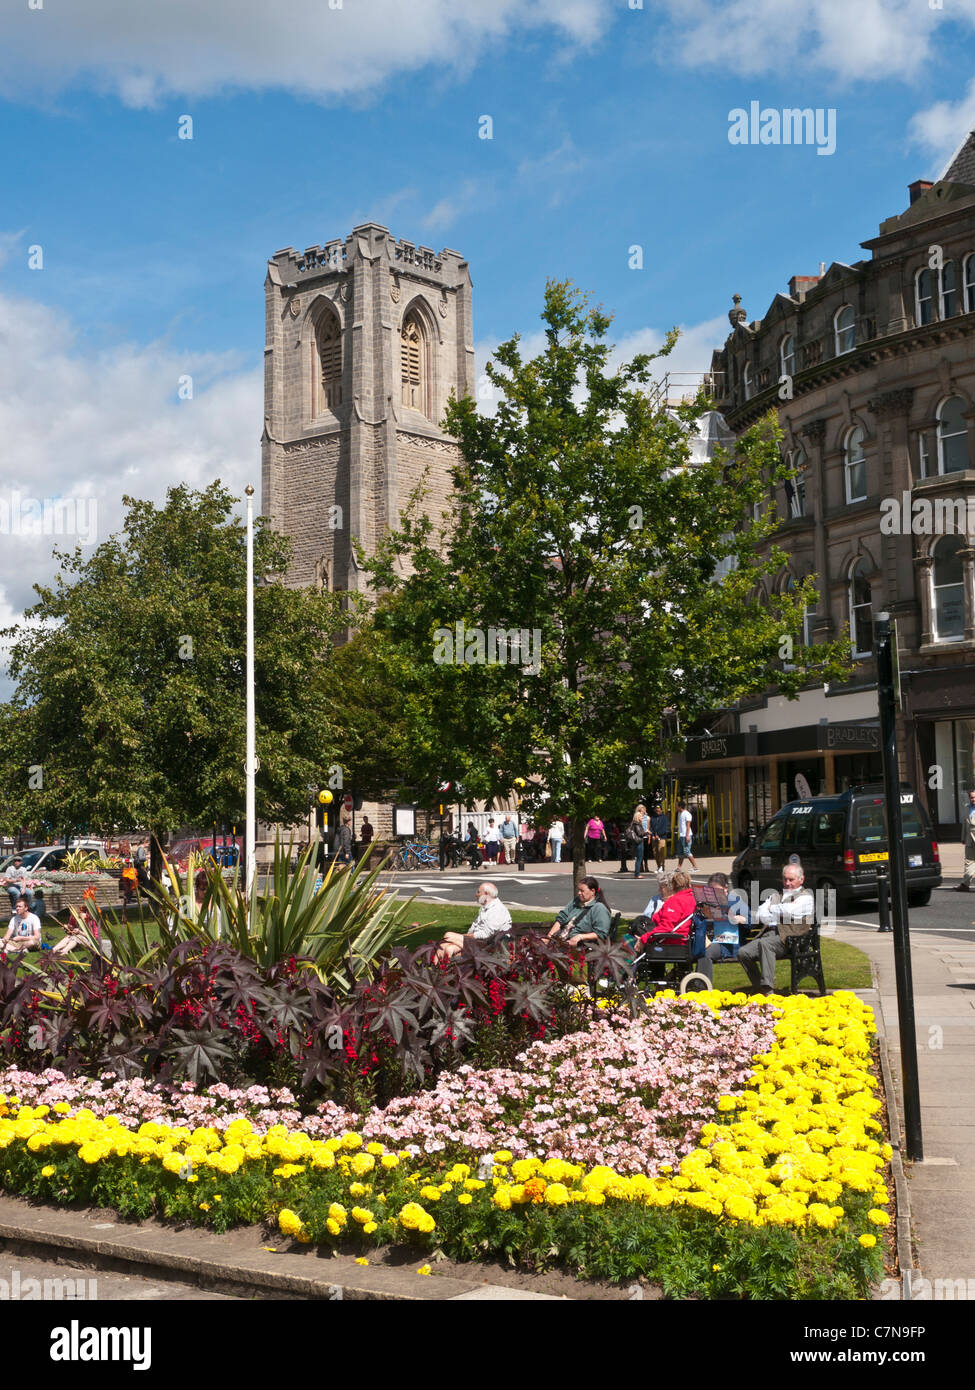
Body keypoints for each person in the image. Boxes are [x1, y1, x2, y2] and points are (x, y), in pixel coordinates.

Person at [736, 860, 815, 993]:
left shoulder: (806, 897)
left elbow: (791, 911)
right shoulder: (776, 895)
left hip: (793, 940)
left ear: (801, 879)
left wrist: (772, 908)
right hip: (773, 935)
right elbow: (760, 914)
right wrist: (777, 911)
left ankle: (768, 989)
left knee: (765, 944)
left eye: (791, 879)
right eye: (785, 879)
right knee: (743, 953)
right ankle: (759, 987)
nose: (787, 883)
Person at [692, 872, 752, 982]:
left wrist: (738, 919)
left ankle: (701, 988)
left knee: (705, 953)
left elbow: (749, 922)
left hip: (728, 943)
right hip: (710, 940)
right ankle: (687, 983)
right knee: (690, 949)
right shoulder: (706, 903)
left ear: (726, 888)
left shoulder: (736, 901)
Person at [436, 881, 512, 962]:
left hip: (489, 945)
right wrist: (462, 937)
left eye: (478, 892)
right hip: (479, 942)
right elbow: (474, 927)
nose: (476, 894)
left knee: (448, 935)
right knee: (449, 947)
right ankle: (438, 969)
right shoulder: (486, 908)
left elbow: (486, 934)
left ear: (486, 893)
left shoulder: (497, 910)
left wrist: (463, 936)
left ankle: (436, 967)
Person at [634, 871, 696, 945]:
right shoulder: (692, 898)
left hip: (670, 941)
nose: (659, 890)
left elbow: (666, 927)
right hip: (681, 939)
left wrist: (643, 939)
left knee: (629, 941)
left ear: (672, 885)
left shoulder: (675, 901)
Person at [546, 876, 611, 944]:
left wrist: (580, 937)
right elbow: (561, 918)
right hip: (560, 940)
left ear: (592, 891)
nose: (579, 893)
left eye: (582, 891)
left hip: (579, 946)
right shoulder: (576, 901)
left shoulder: (599, 908)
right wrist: (549, 937)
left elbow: (601, 934)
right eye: (579, 890)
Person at [957, 788, 975, 890]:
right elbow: (965, 824)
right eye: (972, 797)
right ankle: (965, 884)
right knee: (969, 861)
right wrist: (963, 838)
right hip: (969, 840)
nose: (973, 799)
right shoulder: (967, 808)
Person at [628, 804, 649, 878]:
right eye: (640, 817)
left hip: (637, 842)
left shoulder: (634, 824)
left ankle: (637, 873)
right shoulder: (637, 825)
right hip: (639, 842)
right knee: (639, 858)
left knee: (639, 858)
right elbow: (640, 833)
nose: (642, 817)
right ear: (637, 817)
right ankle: (637, 874)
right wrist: (647, 833)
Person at [676, 800, 698, 870]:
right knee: (681, 852)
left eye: (677, 806)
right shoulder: (681, 814)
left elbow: (688, 826)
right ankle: (679, 867)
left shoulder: (687, 814)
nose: (676, 808)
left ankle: (695, 867)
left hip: (686, 835)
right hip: (682, 835)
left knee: (687, 851)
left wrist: (687, 836)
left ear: (680, 806)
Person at [649, 803, 670, 874]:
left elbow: (666, 828)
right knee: (655, 853)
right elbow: (650, 827)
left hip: (662, 838)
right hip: (654, 838)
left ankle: (662, 866)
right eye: (656, 809)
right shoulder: (653, 818)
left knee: (661, 852)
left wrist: (659, 835)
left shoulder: (664, 818)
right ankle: (658, 866)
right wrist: (652, 835)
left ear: (661, 809)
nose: (657, 810)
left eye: (659, 809)